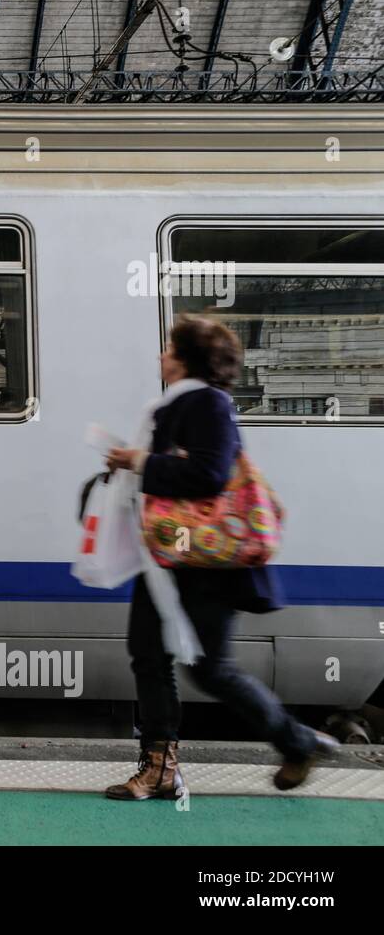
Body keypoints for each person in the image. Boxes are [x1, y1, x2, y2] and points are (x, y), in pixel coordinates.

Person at [102, 314, 337, 800]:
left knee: (209, 669)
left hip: (209, 561)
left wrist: (140, 462)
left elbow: (209, 474)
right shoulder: (169, 407)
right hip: (168, 556)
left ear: (187, 359)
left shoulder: (209, 404)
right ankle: (159, 767)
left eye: (169, 348)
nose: (161, 355)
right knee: (148, 655)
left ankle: (297, 741)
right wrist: (133, 465)